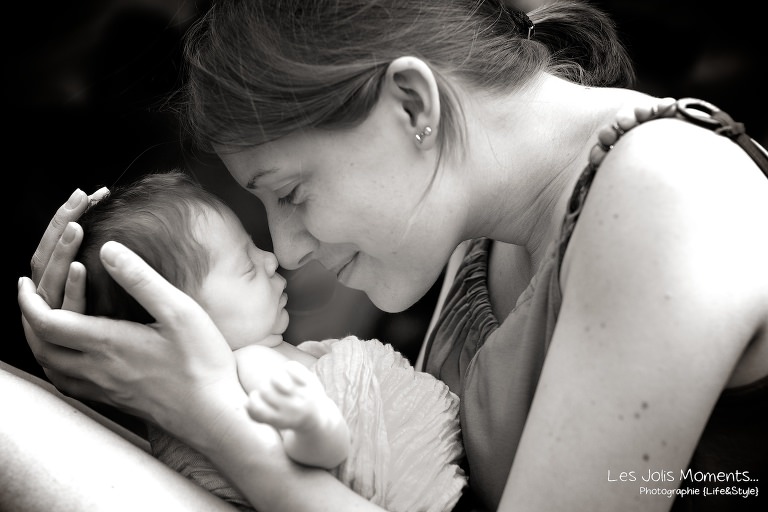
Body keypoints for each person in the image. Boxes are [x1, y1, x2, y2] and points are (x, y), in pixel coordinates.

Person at [12, 0, 768, 511]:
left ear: (414, 104)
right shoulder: (481, 224)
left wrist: (211, 418)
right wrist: (121, 361)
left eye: (294, 193)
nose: (285, 247)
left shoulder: (666, 189)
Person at [73, 170, 466, 512]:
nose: (271, 259)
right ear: (180, 322)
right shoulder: (252, 366)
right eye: (246, 267)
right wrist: (312, 424)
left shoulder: (255, 365)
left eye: (253, 247)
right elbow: (319, 456)